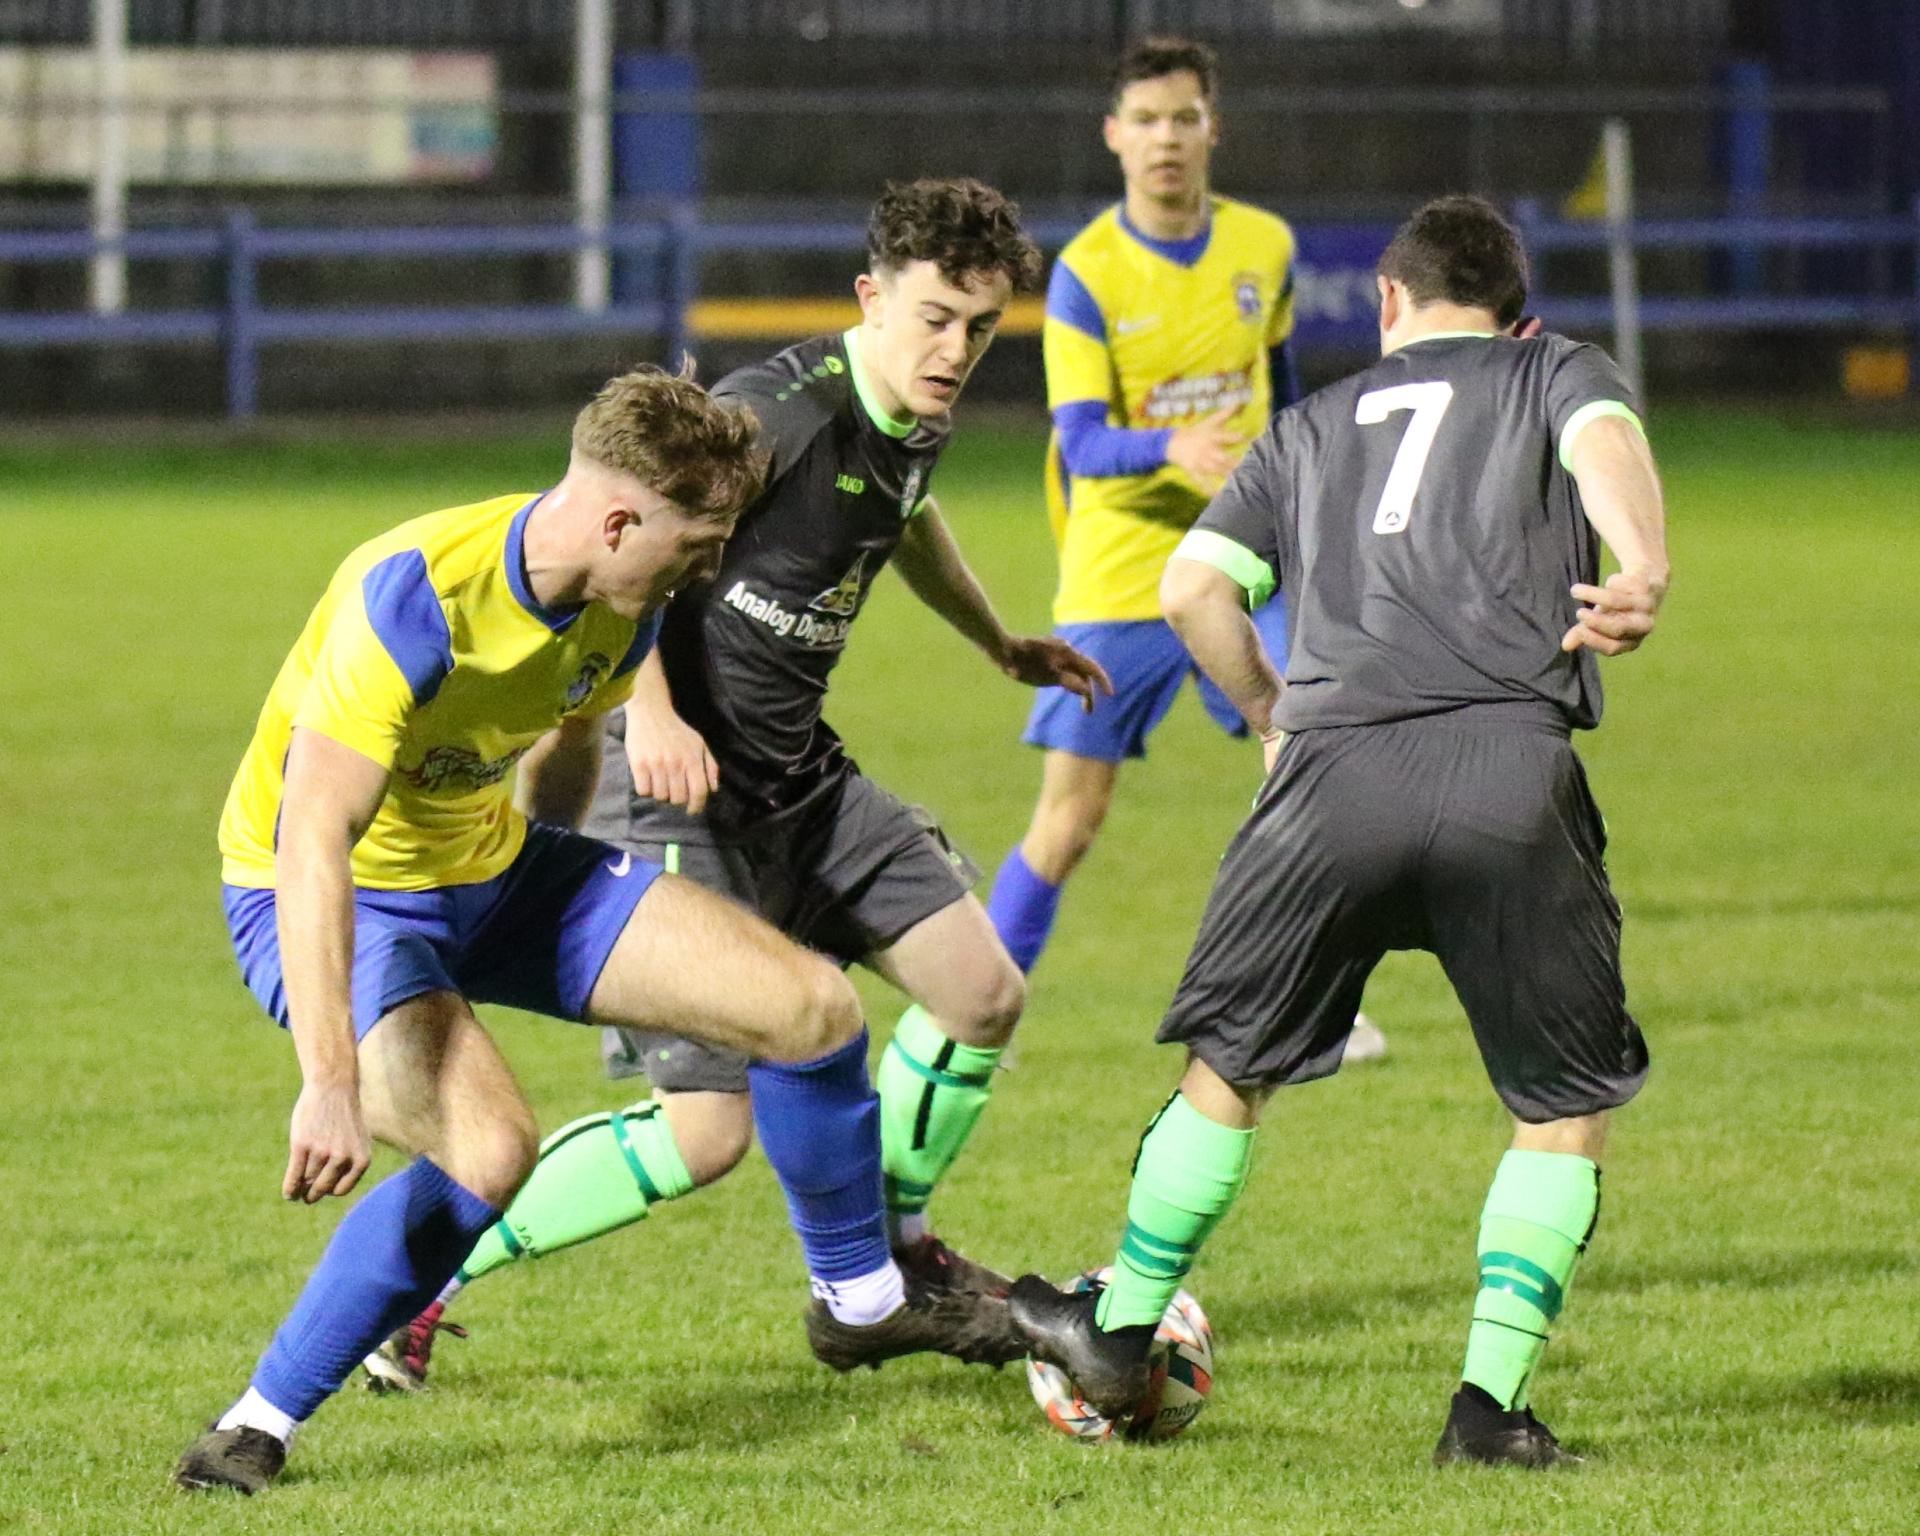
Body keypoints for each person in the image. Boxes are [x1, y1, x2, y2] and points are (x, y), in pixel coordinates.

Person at [169, 365, 987, 1496]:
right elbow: (313, 838)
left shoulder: (622, 601)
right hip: (331, 895)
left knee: (809, 1006)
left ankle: (861, 1302)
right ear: (617, 522)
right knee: (489, 1150)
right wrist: (330, 1080)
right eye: (697, 545)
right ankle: (254, 1424)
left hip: (495, 867)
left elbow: (566, 740)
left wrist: (556, 904)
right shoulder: (415, 598)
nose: (709, 570)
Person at [360, 178, 1109, 1395]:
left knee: (982, 993)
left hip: (798, 778)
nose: (956, 350)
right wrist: (648, 710)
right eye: (934, 319)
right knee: (706, 1134)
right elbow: (629, 545)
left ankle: (894, 1253)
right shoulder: (770, 418)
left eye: (980, 328)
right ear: (871, 298)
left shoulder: (912, 417)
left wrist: (996, 640)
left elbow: (907, 518)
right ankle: (421, 1287)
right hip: (676, 791)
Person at [1008, 196, 1670, 1469]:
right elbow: (1603, 444)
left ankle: (1122, 1328)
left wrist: (1269, 712)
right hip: (1505, 768)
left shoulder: (1308, 425)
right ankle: (1486, 1412)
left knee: (1227, 1072)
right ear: (1519, 318)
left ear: (1386, 301)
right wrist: (1640, 563)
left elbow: (1192, 590)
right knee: (1562, 1106)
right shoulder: (1554, 371)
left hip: (1328, 778)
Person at [981, 36, 1386, 1062]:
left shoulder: (1264, 246)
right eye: (1147, 120)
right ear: (1114, 136)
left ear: (1214, 129)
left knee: (1309, 764)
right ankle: (972, 1006)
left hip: (1243, 562)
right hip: (1122, 571)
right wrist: (1177, 448)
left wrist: (1299, 487)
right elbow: (1081, 445)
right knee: (1070, 819)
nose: (1166, 139)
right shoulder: (1087, 274)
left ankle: (1316, 1007)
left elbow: (1281, 389)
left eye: (1184, 118)